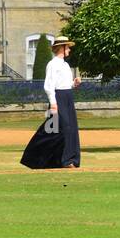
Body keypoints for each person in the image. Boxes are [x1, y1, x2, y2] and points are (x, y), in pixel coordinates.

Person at [19, 35, 82, 169]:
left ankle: (68, 160)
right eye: (68, 47)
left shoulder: (65, 65)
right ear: (62, 48)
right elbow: (49, 85)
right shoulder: (52, 64)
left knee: (70, 129)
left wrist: (73, 84)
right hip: (57, 98)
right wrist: (53, 103)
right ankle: (35, 158)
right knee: (54, 129)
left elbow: (64, 84)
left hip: (67, 97)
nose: (69, 50)